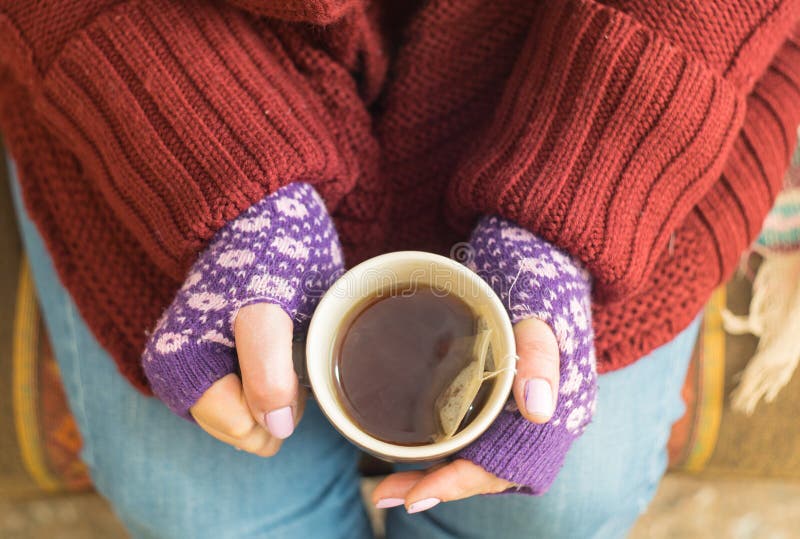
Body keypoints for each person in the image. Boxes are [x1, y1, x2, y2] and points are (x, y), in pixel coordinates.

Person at [2, 1, 799, 537]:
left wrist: (571, 199)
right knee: (202, 506)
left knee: (557, 497)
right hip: (153, 50)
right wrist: (217, 168)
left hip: (618, 72)